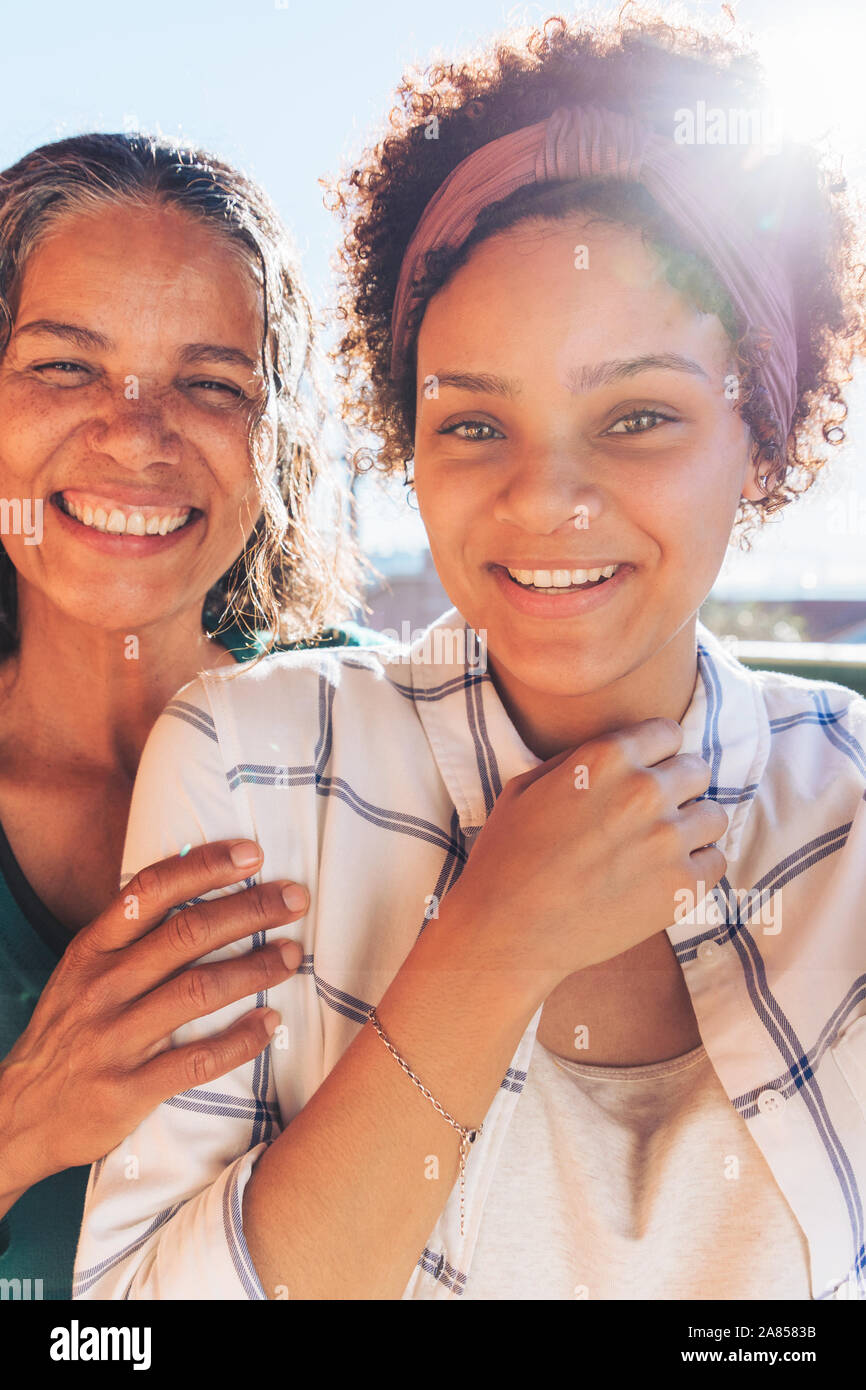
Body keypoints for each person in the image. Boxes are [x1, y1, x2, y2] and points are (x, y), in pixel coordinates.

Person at [75, 12, 866, 1301]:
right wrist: (486, 945)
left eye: (638, 415)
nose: (547, 501)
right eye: (477, 422)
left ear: (762, 438)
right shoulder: (254, 762)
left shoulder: (847, 803)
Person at [0, 131, 374, 1300]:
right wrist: (23, 1120)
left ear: (274, 448)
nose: (137, 431)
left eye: (211, 385)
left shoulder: (386, 733)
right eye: (64, 366)